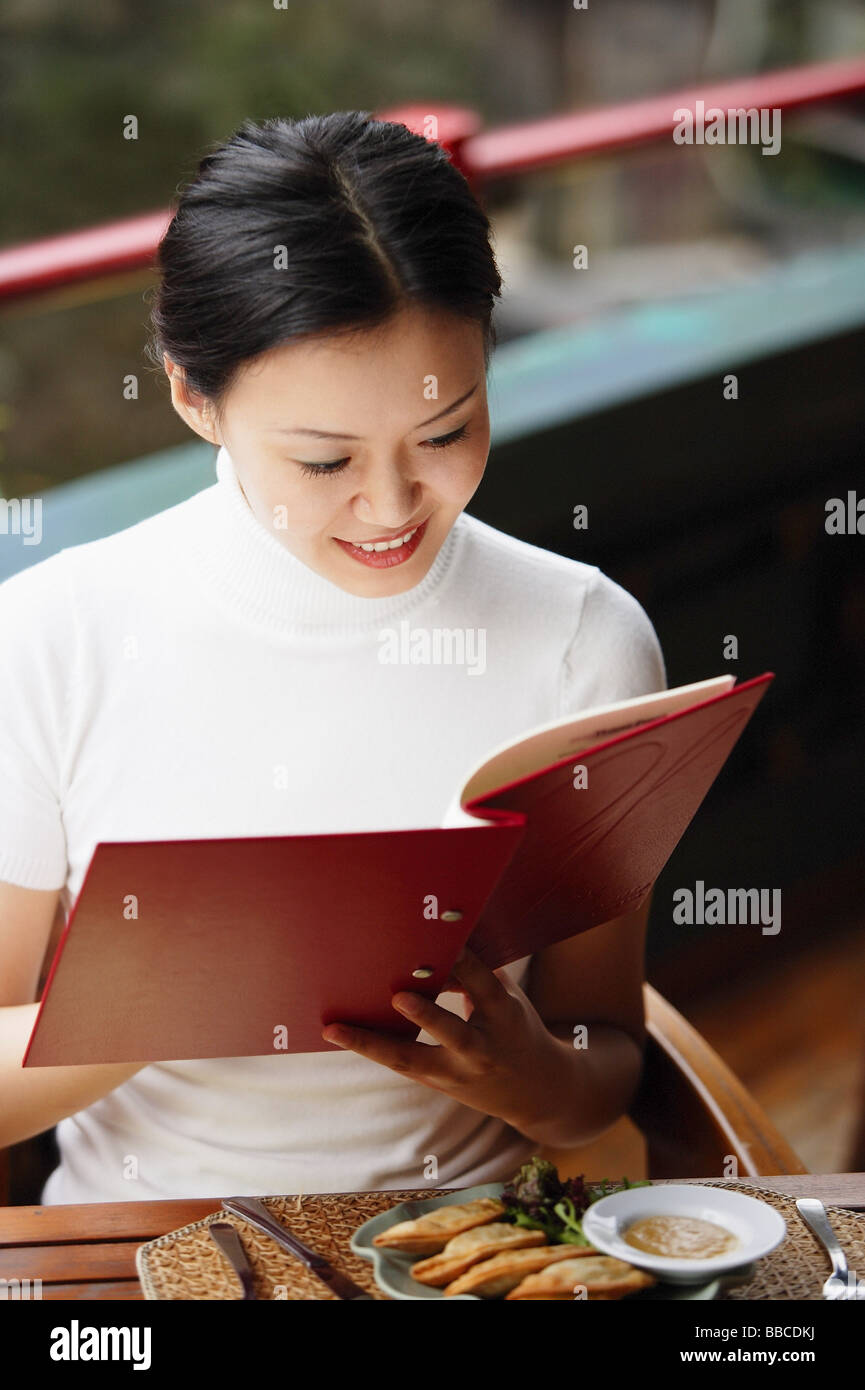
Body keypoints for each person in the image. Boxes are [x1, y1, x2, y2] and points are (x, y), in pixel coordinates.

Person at [0, 111, 666, 1204]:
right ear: (190, 395)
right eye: (322, 460)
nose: (394, 506)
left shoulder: (583, 641)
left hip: (456, 1254)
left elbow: (605, 1068)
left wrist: (531, 1075)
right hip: (145, 1251)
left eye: (446, 432)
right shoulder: (52, 640)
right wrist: (163, 1003)